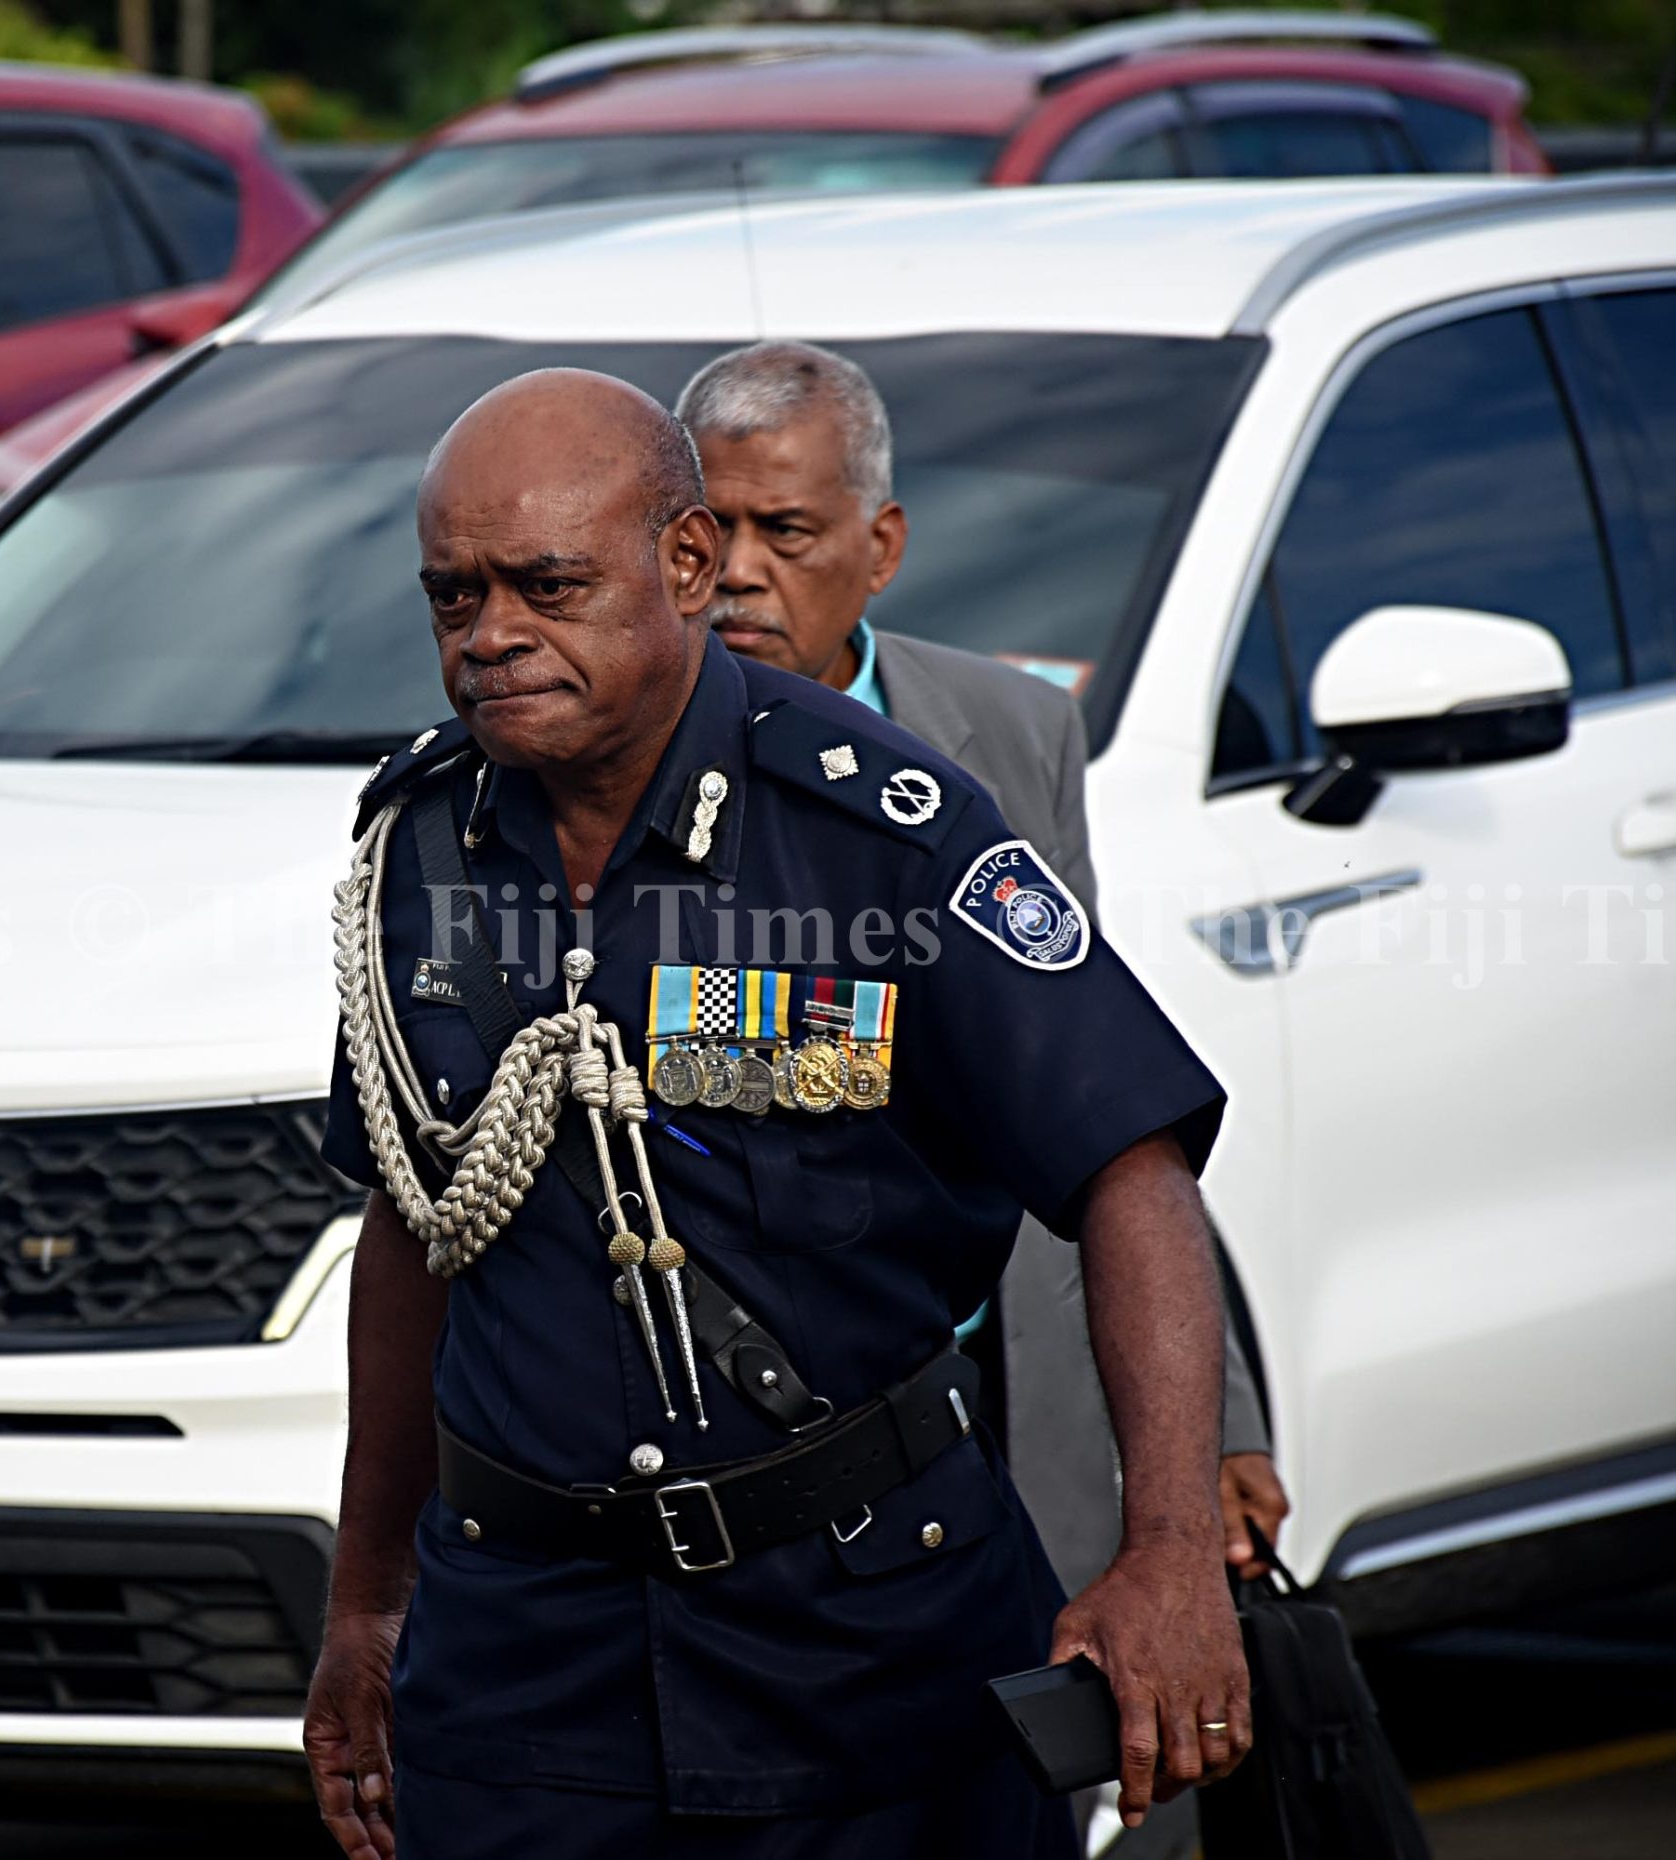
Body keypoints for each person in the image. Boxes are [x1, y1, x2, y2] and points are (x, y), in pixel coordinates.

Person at [306, 368, 1250, 1858]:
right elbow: (417, 1224)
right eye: (453, 597)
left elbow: (1131, 1171)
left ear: (685, 566)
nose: (491, 635)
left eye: (545, 585)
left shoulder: (883, 833)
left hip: (862, 1654)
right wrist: (366, 1602)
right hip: (524, 1676)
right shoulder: (426, 846)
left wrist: (1171, 1553)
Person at [675, 339, 1291, 1611]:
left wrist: (1216, 1417)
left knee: (1076, 1763)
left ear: (881, 544)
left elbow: (1100, 1094)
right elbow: (680, 1054)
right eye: (709, 530)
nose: (738, 572)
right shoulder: (625, 758)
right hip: (782, 1433)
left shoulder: (1013, 729)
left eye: (784, 529)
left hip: (1011, 1388)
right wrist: (922, 1045)